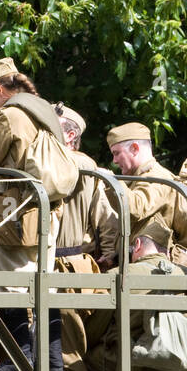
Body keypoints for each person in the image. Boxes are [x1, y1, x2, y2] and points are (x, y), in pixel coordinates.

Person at [0, 56, 64, 371]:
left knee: (11, 289)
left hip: (16, 214)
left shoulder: (11, 115)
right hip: (48, 214)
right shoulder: (45, 111)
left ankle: (18, 360)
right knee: (44, 289)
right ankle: (53, 365)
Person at [83, 216, 187, 371]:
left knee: (83, 357)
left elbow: (94, 330)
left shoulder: (118, 276)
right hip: (172, 369)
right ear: (167, 253)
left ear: (138, 245)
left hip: (126, 365)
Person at [105, 122, 187, 267]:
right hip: (146, 267)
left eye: (116, 153)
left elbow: (135, 208)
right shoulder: (141, 178)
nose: (114, 160)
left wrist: (110, 181)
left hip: (156, 271)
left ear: (134, 148)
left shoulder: (157, 177)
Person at [55, 103, 119, 259]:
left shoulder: (85, 166)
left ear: (70, 135)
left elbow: (104, 214)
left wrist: (108, 253)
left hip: (70, 258)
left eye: (53, 128)